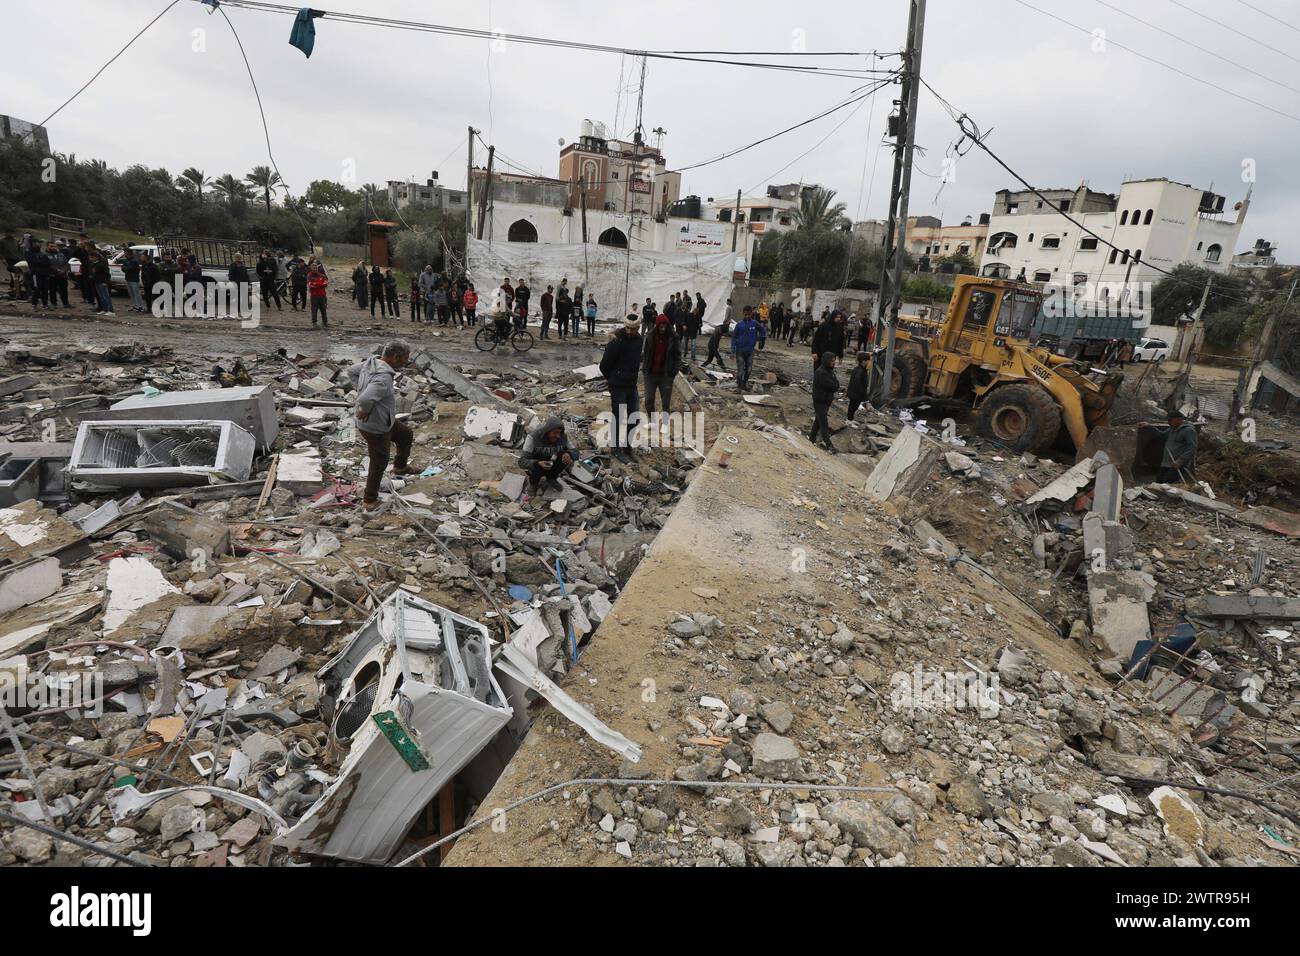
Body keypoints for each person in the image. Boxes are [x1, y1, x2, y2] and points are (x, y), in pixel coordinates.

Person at [348, 341, 418, 513]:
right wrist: (364, 408)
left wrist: (361, 389)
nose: (406, 362)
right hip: (376, 427)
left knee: (405, 434)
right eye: (405, 358)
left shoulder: (371, 363)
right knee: (379, 462)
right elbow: (364, 400)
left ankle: (400, 467)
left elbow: (351, 371)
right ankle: (369, 500)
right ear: (395, 357)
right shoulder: (383, 377)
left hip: (385, 420)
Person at [599, 316, 643, 460]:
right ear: (625, 326)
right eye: (628, 328)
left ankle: (628, 446)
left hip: (631, 385)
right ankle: (616, 448)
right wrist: (613, 379)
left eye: (633, 329)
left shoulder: (639, 340)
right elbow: (604, 365)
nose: (630, 331)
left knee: (635, 417)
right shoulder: (616, 341)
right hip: (618, 386)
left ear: (638, 328)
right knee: (618, 417)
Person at [519, 416, 576, 495]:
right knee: (535, 466)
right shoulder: (533, 438)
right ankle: (533, 484)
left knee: (564, 456)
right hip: (538, 466)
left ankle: (551, 479)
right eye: (555, 433)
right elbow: (522, 462)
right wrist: (538, 463)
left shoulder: (563, 437)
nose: (558, 436)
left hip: (553, 463)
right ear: (547, 431)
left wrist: (569, 454)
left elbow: (575, 452)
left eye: (559, 433)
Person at [642, 313, 682, 423]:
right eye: (661, 326)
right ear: (657, 326)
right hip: (651, 374)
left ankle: (665, 422)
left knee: (665, 402)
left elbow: (678, 355)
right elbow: (645, 354)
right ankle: (652, 420)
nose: (663, 328)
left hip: (666, 375)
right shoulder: (650, 336)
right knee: (649, 400)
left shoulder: (673, 337)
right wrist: (644, 368)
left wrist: (674, 371)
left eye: (665, 326)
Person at [1147, 410, 1198, 483]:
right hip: (1166, 463)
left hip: (1178, 465)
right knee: (1159, 482)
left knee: (1168, 483)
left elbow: (1192, 448)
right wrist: (1148, 426)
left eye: (1170, 420)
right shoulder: (1171, 429)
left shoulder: (1188, 431)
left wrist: (1180, 461)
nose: (1168, 422)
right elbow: (1161, 435)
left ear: (1179, 420)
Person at [810, 352, 841, 453]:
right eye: (832, 361)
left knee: (818, 421)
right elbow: (832, 386)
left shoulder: (829, 371)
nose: (834, 363)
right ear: (827, 361)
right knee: (823, 424)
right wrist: (834, 385)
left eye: (834, 361)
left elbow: (836, 384)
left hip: (826, 400)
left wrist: (834, 385)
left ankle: (811, 439)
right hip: (820, 401)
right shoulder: (821, 372)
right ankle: (829, 446)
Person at [730, 305, 762, 391]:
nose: (747, 316)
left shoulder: (755, 324)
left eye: (749, 314)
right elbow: (734, 338)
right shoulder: (739, 325)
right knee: (740, 371)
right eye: (745, 315)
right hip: (740, 351)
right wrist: (732, 351)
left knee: (749, 370)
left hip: (750, 351)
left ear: (751, 314)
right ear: (743, 314)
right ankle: (739, 387)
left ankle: (744, 384)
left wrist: (760, 339)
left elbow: (763, 330)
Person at [846, 351, 871, 423]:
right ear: (863, 361)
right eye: (868, 360)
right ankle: (849, 420)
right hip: (856, 393)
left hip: (855, 393)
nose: (869, 362)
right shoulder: (860, 371)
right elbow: (857, 383)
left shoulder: (861, 369)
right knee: (853, 406)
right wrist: (863, 393)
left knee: (854, 406)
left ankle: (850, 419)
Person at [48, 243, 71, 309]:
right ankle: (53, 303)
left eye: (55, 246)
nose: (53, 247)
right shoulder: (46, 255)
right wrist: (57, 270)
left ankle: (66, 303)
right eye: (51, 246)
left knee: (64, 290)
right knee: (53, 290)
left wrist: (64, 270)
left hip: (62, 276)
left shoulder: (61, 255)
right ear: (48, 247)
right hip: (52, 276)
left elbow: (66, 263)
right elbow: (49, 265)